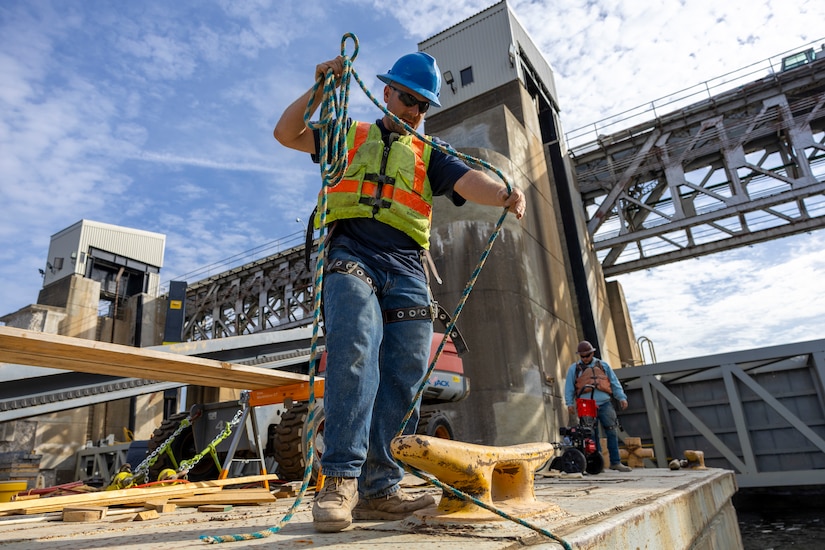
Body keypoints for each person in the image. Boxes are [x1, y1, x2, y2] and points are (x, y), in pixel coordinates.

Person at [273, 51, 526, 533]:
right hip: (352, 253)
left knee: (409, 368)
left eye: (422, 105)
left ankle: (380, 488)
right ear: (386, 91)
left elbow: (471, 181)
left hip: (408, 267)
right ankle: (339, 480)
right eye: (407, 98)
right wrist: (322, 89)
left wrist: (504, 194)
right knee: (354, 349)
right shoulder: (348, 134)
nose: (413, 111)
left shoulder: (430, 154)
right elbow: (287, 133)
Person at [564, 340, 631, 472]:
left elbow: (614, 382)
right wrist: (569, 403)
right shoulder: (574, 368)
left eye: (587, 355)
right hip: (586, 404)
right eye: (582, 356)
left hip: (605, 403)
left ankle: (615, 462)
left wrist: (621, 397)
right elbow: (569, 387)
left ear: (592, 353)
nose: (584, 358)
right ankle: (598, 463)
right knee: (590, 435)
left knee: (612, 431)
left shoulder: (603, 366)